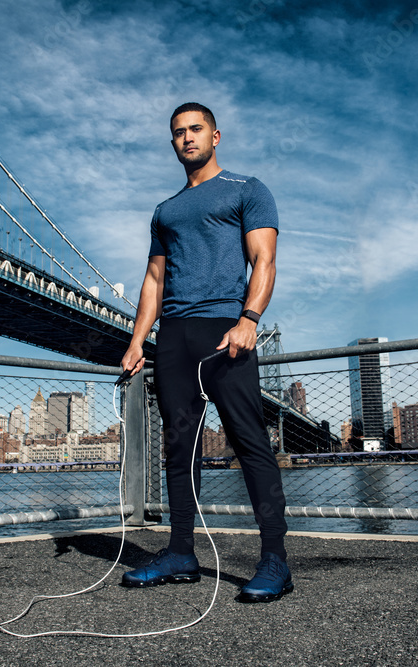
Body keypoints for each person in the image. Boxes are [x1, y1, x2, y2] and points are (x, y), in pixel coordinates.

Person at [118, 102, 291, 603]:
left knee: (250, 442)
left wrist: (249, 320)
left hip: (225, 333)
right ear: (172, 144)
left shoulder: (247, 190)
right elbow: (154, 279)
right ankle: (179, 553)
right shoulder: (164, 211)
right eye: (178, 133)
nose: (187, 138)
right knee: (180, 448)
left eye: (196, 129)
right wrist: (136, 341)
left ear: (216, 136)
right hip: (173, 338)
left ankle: (275, 561)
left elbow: (264, 258)